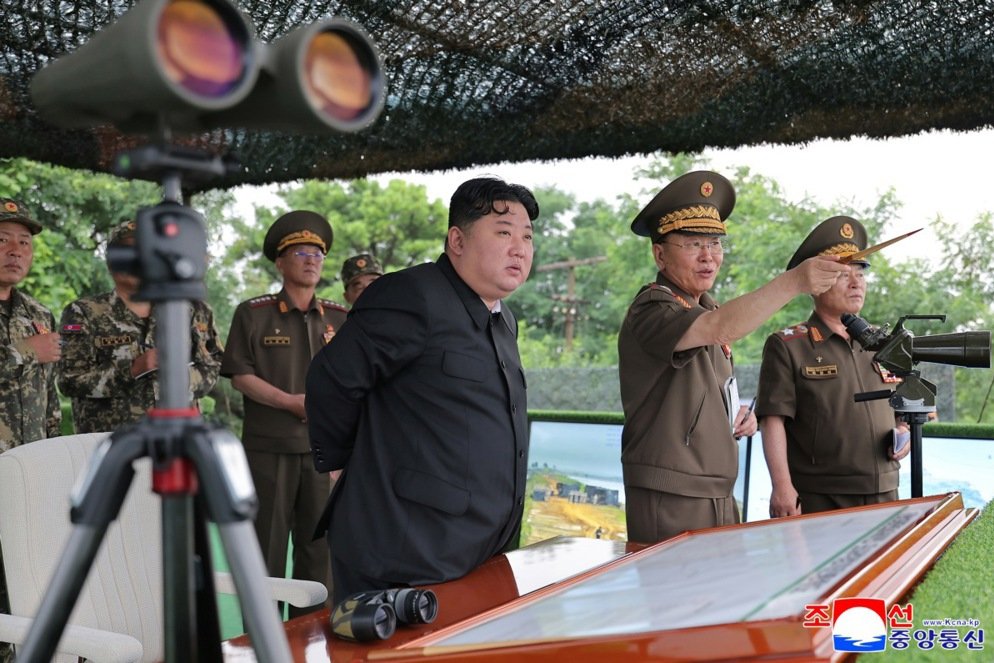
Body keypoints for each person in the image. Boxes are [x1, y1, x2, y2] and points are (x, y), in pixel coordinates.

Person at [306, 176, 536, 603]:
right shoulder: (412, 294)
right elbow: (332, 380)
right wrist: (344, 467)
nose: (519, 248)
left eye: (526, 236)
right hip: (406, 549)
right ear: (457, 240)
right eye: (503, 233)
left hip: (479, 547)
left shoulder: (504, 320)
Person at [618, 171, 850, 544]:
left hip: (718, 489)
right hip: (673, 495)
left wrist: (736, 416)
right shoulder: (653, 306)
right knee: (677, 601)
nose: (708, 256)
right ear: (659, 253)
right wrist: (793, 282)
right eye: (693, 244)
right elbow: (720, 328)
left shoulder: (705, 307)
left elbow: (707, 378)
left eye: (715, 243)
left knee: (720, 599)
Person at [221, 210, 345, 615]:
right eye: (301, 253)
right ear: (280, 262)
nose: (311, 260)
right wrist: (289, 402)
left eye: (317, 254)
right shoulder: (253, 313)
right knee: (266, 555)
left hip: (323, 454)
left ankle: (308, 644)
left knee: (318, 556)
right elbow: (239, 375)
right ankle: (262, 643)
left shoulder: (340, 318)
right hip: (268, 451)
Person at [756, 216, 910, 517]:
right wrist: (782, 486)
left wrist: (904, 430)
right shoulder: (789, 345)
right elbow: (772, 420)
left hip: (886, 490)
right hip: (820, 495)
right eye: (842, 275)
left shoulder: (887, 343)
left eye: (860, 274)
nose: (855, 283)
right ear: (815, 286)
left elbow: (908, 406)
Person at [58, 220, 223, 433]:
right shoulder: (83, 313)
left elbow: (213, 364)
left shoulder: (192, 309)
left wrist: (182, 379)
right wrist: (134, 368)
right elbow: (69, 382)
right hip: (111, 444)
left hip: (177, 438)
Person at [0, 198, 61, 663]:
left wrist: (52, 461)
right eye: (2, 240)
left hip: (26, 473)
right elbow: (30, 357)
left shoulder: (39, 313)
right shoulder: (34, 335)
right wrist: (25, 351)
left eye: (24, 242)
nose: (15, 251)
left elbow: (51, 398)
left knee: (23, 578)